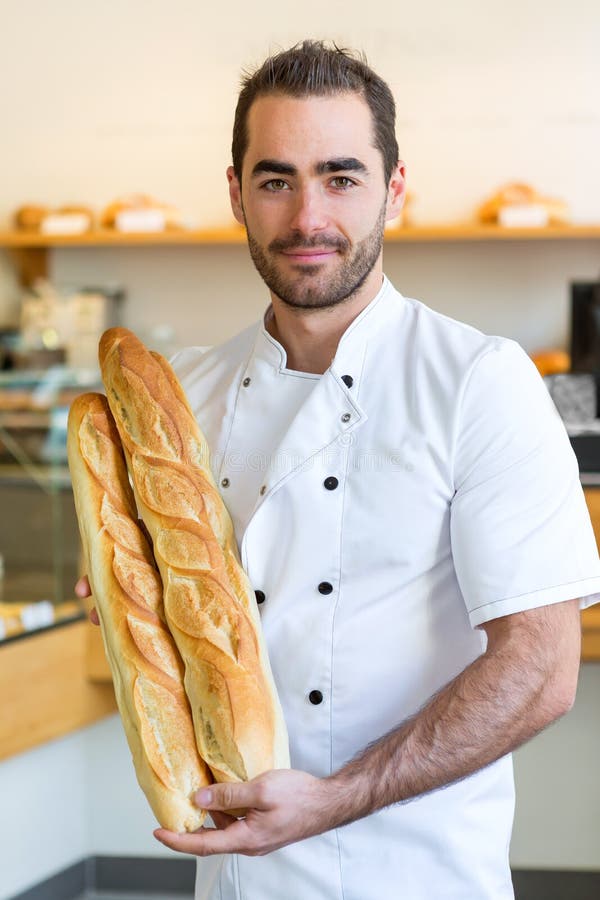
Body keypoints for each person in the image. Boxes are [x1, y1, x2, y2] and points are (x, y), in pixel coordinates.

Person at [79, 40, 600, 899]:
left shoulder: (479, 381)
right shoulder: (183, 397)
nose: (307, 216)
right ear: (237, 193)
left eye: (342, 177)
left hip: (417, 874)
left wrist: (335, 799)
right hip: (237, 880)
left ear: (395, 189)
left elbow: (542, 670)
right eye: (276, 179)